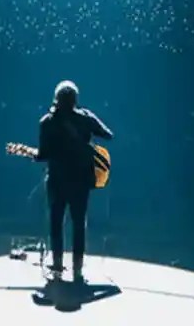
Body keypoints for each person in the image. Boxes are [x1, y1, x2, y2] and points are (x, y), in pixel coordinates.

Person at [35, 80, 113, 282]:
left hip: (57, 180)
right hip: (81, 180)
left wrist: (38, 155)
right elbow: (108, 135)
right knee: (79, 223)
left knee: (56, 223)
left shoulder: (47, 122)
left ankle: (58, 266)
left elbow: (43, 154)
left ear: (56, 99)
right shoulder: (85, 118)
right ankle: (78, 268)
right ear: (75, 100)